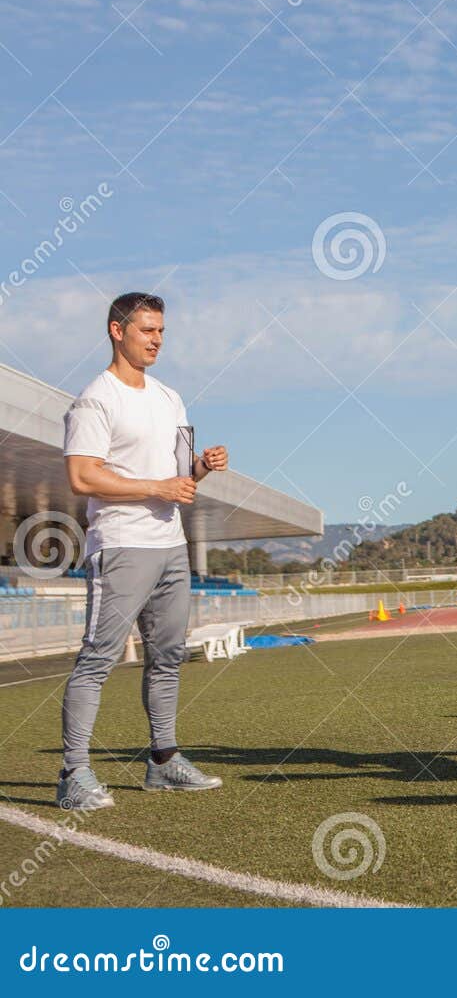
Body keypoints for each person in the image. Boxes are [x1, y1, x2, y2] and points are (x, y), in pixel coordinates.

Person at [58, 292, 229, 811]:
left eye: (161, 331)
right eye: (146, 331)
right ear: (117, 330)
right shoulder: (95, 399)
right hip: (121, 545)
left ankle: (162, 763)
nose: (156, 340)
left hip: (170, 546)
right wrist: (157, 488)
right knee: (98, 660)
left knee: (168, 658)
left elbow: (177, 478)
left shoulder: (170, 397)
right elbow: (82, 476)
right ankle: (74, 774)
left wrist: (200, 469)